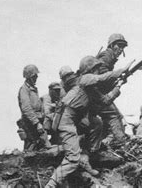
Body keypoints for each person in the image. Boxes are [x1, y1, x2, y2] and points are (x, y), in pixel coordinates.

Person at [45, 56, 125, 188]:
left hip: (76, 119)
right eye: (96, 68)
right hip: (66, 120)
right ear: (90, 70)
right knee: (72, 160)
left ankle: (86, 158)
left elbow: (105, 101)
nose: (99, 71)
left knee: (96, 123)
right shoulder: (84, 79)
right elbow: (101, 78)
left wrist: (118, 86)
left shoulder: (89, 87)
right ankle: (51, 185)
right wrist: (120, 71)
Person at [91, 33, 129, 144]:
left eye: (123, 47)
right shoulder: (107, 56)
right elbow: (102, 76)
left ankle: (107, 142)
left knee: (115, 116)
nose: (121, 49)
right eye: (119, 45)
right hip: (96, 95)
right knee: (114, 115)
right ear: (112, 45)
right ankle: (121, 142)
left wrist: (118, 80)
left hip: (98, 94)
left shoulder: (110, 57)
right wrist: (117, 77)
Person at [17, 64, 52, 151]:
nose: (36, 77)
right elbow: (26, 109)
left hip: (37, 120)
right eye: (35, 76)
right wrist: (37, 123)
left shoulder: (33, 89)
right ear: (30, 77)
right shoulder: (24, 90)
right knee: (32, 145)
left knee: (42, 145)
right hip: (30, 123)